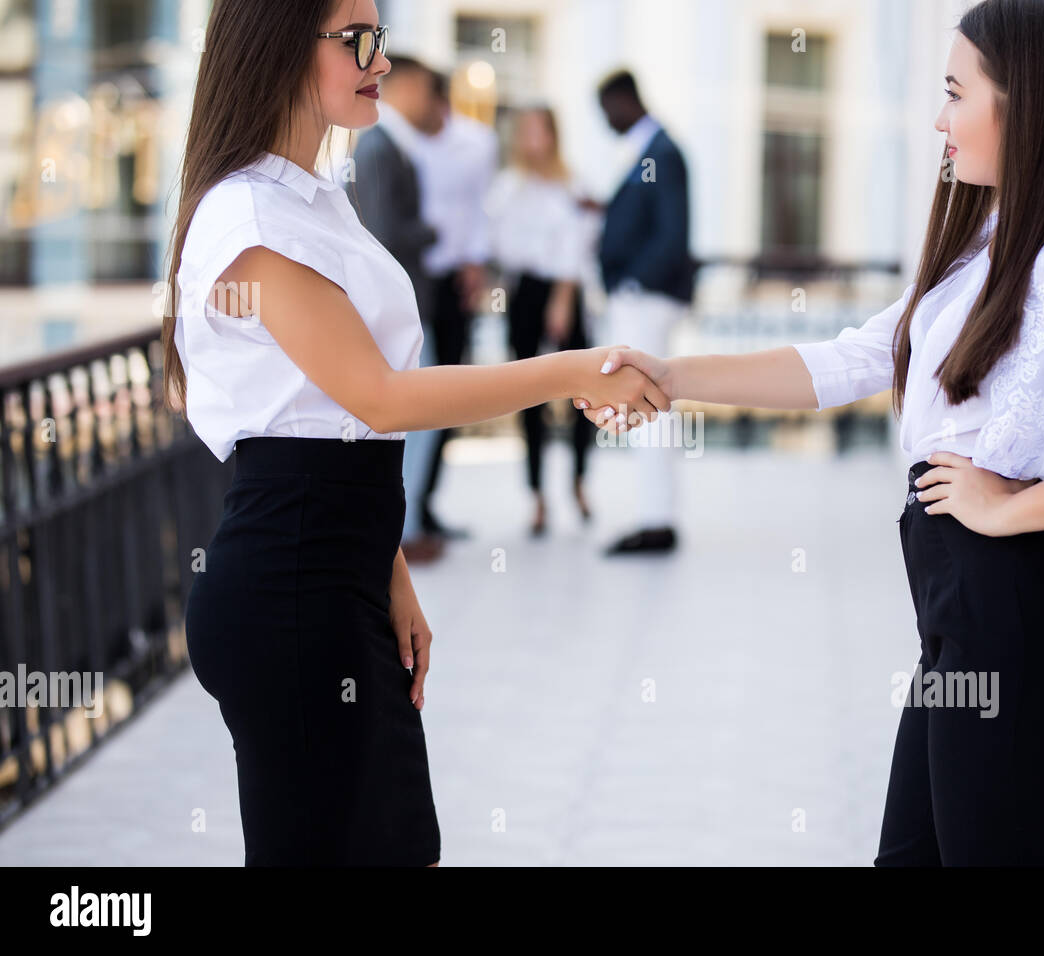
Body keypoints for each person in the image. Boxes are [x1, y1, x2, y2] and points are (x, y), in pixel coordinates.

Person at [579, 0, 1044, 865]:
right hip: (967, 615)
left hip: (1013, 621)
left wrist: (1006, 510)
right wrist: (672, 377)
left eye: (956, 92)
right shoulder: (989, 240)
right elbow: (849, 359)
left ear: (1030, 103)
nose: (940, 117)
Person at [162, 0, 666, 867]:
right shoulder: (248, 218)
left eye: (380, 38)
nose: (382, 61)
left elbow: (339, 422)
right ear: (283, 46)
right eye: (356, 39)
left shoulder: (314, 197)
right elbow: (380, 398)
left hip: (337, 577)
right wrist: (571, 368)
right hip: (289, 594)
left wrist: (388, 568)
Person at [346, 53, 444, 563]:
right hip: (396, 308)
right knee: (410, 423)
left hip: (406, 303)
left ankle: (403, 534)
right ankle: (398, 538)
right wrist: (434, 230)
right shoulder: (381, 149)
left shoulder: (391, 146)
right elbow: (382, 233)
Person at [592, 69, 694, 555]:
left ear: (624, 100)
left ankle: (657, 521)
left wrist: (633, 282)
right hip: (641, 297)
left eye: (606, 109)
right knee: (648, 406)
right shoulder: (650, 150)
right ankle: (656, 517)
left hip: (647, 299)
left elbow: (672, 236)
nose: (604, 120)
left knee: (647, 405)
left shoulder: (663, 153)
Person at [484, 106, 596, 536]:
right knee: (526, 393)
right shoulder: (508, 186)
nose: (532, 137)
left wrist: (564, 298)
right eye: (525, 129)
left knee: (583, 390)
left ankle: (580, 483)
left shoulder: (573, 183)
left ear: (553, 134)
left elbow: (581, 241)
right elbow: (499, 241)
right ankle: (537, 496)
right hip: (525, 290)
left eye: (540, 129)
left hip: (566, 288)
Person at [408, 69, 498, 544]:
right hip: (415, 280)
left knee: (449, 388)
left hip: (457, 281)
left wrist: (475, 265)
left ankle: (425, 501)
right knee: (414, 384)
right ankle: (408, 510)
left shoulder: (478, 143)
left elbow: (481, 208)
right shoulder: (405, 143)